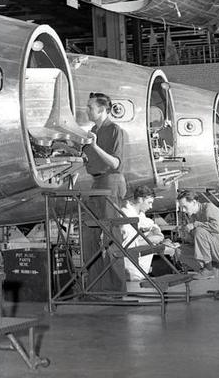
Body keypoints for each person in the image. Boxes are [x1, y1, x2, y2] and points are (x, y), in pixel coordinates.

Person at [79, 92, 126, 293]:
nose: (87, 110)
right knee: (88, 231)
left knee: (111, 235)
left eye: (90, 107)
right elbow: (87, 158)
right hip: (97, 183)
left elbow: (115, 162)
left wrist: (95, 146)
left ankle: (117, 289)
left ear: (103, 109)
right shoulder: (92, 131)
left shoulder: (114, 130)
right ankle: (96, 286)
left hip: (111, 182)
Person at [119, 185, 174, 282]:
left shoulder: (139, 213)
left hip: (135, 258)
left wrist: (157, 235)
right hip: (128, 263)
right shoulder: (127, 216)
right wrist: (151, 239)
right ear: (140, 199)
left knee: (159, 244)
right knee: (158, 246)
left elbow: (152, 225)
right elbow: (128, 245)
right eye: (149, 202)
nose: (151, 206)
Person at [176, 191, 219, 276]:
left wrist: (195, 224)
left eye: (185, 207)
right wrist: (185, 235)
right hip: (212, 249)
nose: (183, 210)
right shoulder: (193, 216)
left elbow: (216, 228)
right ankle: (210, 269)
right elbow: (198, 241)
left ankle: (208, 268)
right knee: (179, 251)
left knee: (199, 231)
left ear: (194, 202)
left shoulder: (208, 208)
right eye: (181, 208)